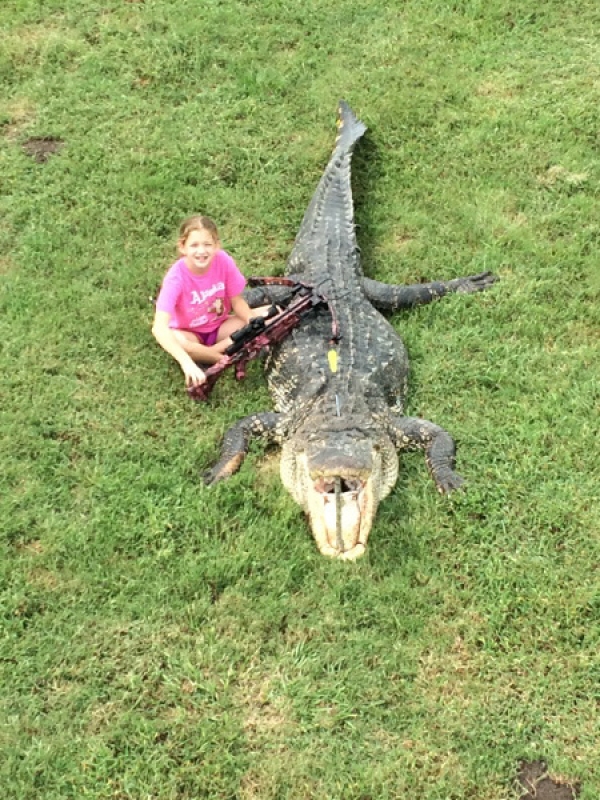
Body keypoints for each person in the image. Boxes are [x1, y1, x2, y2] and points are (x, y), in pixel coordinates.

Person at [152, 215, 269, 389]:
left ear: (216, 245)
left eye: (207, 244)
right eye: (194, 245)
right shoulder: (175, 278)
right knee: (178, 342)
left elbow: (236, 302)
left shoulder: (223, 261)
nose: (202, 251)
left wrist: (252, 321)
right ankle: (225, 359)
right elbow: (158, 327)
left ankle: (212, 353)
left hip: (220, 327)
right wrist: (187, 364)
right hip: (190, 334)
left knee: (274, 313)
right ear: (182, 247)